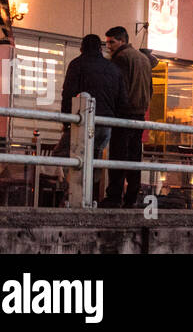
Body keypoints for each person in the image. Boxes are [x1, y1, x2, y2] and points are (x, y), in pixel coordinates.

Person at [100, 26, 152, 208]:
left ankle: (114, 196)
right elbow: (150, 89)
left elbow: (118, 87)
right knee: (134, 158)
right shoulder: (143, 59)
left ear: (122, 41)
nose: (108, 46)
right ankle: (131, 197)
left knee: (118, 156)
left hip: (124, 114)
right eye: (107, 42)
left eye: (111, 42)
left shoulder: (121, 58)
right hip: (140, 114)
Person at [60, 34, 127, 163]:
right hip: (105, 123)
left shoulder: (76, 64)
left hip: (82, 120)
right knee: (94, 158)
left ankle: (56, 182)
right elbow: (122, 99)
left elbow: (68, 94)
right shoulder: (113, 68)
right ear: (100, 49)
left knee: (62, 155)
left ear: (81, 48)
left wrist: (66, 120)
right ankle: (92, 183)